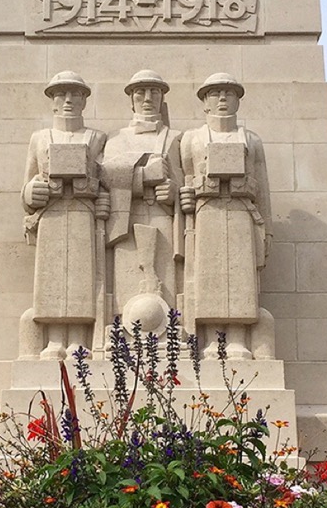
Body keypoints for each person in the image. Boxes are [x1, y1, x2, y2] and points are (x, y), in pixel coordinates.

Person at [180, 73, 273, 358]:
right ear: (204, 102)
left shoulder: (252, 140)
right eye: (215, 93)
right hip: (207, 213)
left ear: (238, 100)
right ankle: (212, 340)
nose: (222, 98)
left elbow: (264, 189)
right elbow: (185, 175)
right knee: (208, 276)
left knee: (241, 277)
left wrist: (268, 231)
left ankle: (237, 339)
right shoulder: (191, 139)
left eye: (228, 93)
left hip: (241, 213)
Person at [20, 71, 109, 359]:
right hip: (52, 215)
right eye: (61, 94)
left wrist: (103, 198)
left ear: (84, 100)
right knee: (51, 278)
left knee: (82, 277)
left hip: (83, 214)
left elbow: (108, 179)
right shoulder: (39, 138)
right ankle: (54, 339)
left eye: (75, 94)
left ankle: (78, 339)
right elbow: (28, 182)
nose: (68, 99)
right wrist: (30, 192)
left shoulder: (97, 138)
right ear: (53, 100)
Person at [101, 70, 182, 336]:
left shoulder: (175, 138)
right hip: (127, 218)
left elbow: (186, 185)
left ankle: (167, 333)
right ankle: (122, 335)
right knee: (127, 280)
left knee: (165, 280)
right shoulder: (116, 139)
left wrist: (174, 193)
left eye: (154, 92)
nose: (147, 98)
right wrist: (143, 177)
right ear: (131, 99)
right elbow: (107, 177)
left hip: (162, 215)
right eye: (140, 92)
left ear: (162, 97)